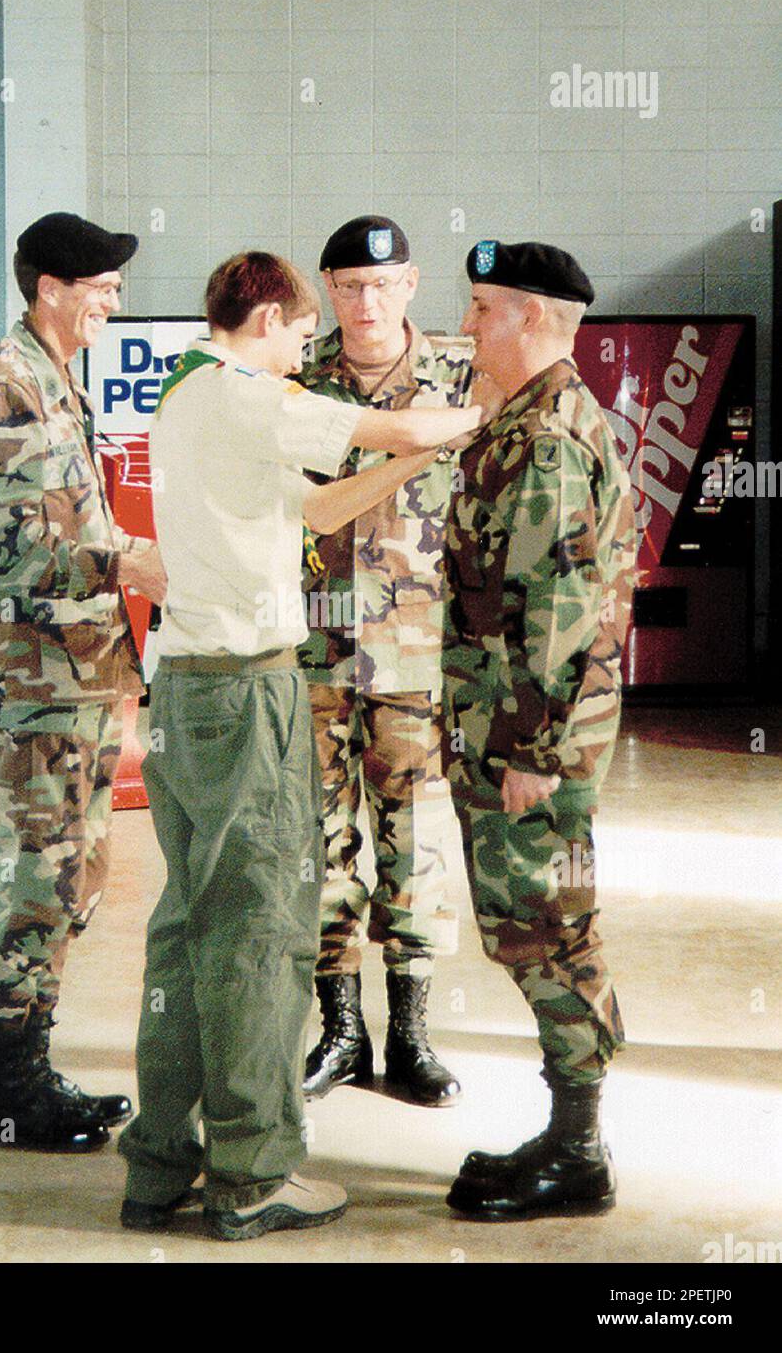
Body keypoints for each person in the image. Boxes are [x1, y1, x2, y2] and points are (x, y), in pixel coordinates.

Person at [116, 251, 479, 1241]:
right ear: (268, 316)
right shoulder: (247, 394)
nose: (304, 348)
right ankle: (251, 1173)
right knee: (262, 935)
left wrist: (407, 468)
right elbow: (400, 418)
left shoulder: (190, 396)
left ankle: (159, 1164)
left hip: (187, 689)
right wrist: (472, 418)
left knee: (189, 928)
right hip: (245, 696)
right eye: (300, 329)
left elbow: (313, 507)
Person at [0, 212, 167, 1152]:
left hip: (69, 669)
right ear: (53, 289)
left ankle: (28, 1068)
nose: (113, 303)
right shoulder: (7, 383)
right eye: (103, 288)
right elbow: (11, 544)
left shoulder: (51, 377)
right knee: (37, 873)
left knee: (71, 868)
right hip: (32, 671)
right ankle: (5, 1090)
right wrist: (131, 563)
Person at [441, 240, 636, 1220]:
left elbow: (555, 608)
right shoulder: (523, 420)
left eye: (481, 308)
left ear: (529, 317)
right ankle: (572, 1131)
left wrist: (524, 752)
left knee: (544, 928)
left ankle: (576, 1147)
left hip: (530, 740)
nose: (468, 324)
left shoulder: (548, 437)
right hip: (519, 729)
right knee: (539, 923)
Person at [298, 215, 502, 1107]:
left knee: (414, 840)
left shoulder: (464, 378)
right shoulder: (299, 385)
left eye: (382, 285)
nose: (366, 302)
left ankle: (411, 1033)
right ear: (327, 290)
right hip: (313, 652)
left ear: (411, 286)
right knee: (317, 837)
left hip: (421, 655)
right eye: (347, 286)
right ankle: (339, 1029)